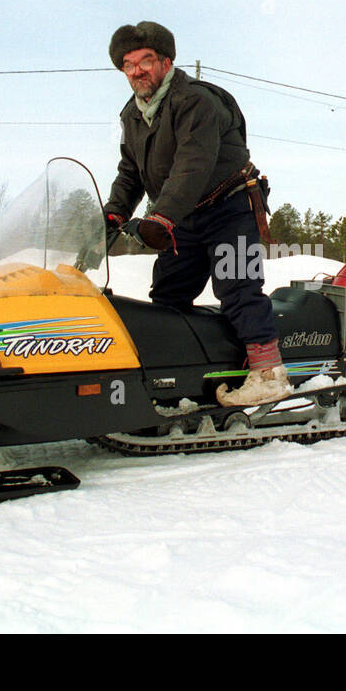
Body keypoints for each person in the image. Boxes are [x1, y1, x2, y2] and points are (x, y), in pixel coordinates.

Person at [103, 21, 291, 407]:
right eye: (128, 64)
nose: (137, 70)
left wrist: (160, 218)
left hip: (230, 206)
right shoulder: (132, 115)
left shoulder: (196, 101)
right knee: (169, 293)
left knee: (237, 285)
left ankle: (269, 374)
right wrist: (113, 214)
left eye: (146, 61)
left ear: (166, 61)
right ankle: (176, 372)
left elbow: (194, 164)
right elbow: (131, 172)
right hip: (183, 217)